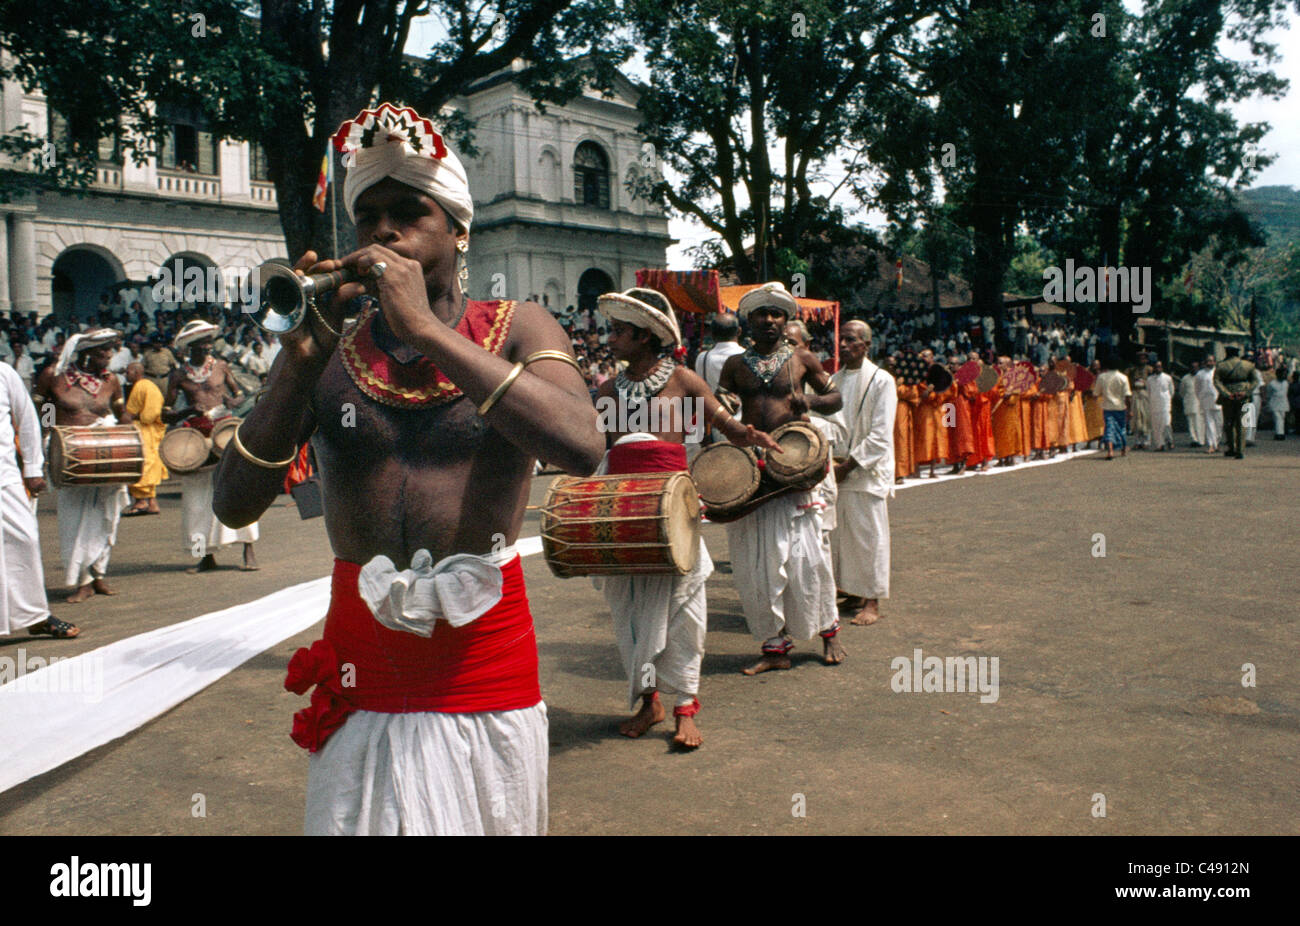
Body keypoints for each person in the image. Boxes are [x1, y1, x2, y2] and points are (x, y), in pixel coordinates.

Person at [213, 102, 603, 836]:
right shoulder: (327, 349)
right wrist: (297, 364)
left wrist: (425, 327)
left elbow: (582, 446)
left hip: (482, 667)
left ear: (458, 229)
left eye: (410, 212)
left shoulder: (521, 326)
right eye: (370, 217)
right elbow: (234, 507)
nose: (383, 231)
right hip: (363, 667)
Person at [595, 288, 775, 748]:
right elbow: (591, 446)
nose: (609, 338)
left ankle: (684, 708)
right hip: (624, 511)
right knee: (631, 610)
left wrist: (746, 434)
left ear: (644, 335)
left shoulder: (684, 381)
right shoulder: (607, 390)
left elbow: (726, 425)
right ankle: (649, 701)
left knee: (684, 609)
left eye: (618, 331)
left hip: (674, 510)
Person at [717, 282, 845, 675]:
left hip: (796, 463)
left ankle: (828, 633)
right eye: (762, 314)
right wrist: (727, 404)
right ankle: (776, 649)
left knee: (808, 558)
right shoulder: (735, 365)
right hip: (753, 467)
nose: (770, 320)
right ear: (749, 321)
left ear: (785, 320)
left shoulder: (803, 358)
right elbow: (720, 402)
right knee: (760, 562)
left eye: (777, 314)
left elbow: (836, 397)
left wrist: (812, 401)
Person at [33, 329, 126, 603]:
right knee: (74, 520)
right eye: (102, 352)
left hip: (105, 458)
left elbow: (123, 416)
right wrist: (49, 438)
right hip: (69, 459)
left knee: (105, 518)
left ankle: (98, 575)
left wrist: (129, 435)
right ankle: (82, 581)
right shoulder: (54, 377)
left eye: (110, 351)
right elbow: (42, 411)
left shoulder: (112, 382)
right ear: (85, 354)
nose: (108, 356)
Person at [166, 320, 257, 571]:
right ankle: (205, 555)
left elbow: (240, 396)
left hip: (224, 432)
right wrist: (186, 409)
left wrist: (233, 400)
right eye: (201, 344)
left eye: (208, 343)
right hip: (195, 436)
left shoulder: (222, 367)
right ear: (189, 348)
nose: (207, 347)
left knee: (237, 487)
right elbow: (165, 415)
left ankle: (248, 550)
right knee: (197, 497)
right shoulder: (179, 375)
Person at [1, 360, 79, 638]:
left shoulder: (4, 373)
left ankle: (35, 616)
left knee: (26, 538)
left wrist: (33, 468)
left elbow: (29, 420)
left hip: (6, 475)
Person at [830, 321, 896, 627]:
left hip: (866, 472)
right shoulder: (833, 380)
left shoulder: (882, 380)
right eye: (841, 339)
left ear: (866, 345)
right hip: (839, 470)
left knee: (870, 536)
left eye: (850, 340)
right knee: (843, 537)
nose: (843, 344)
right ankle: (854, 592)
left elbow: (881, 436)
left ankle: (872, 600)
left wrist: (848, 466)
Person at [119, 362, 168, 516]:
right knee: (150, 464)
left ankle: (140, 502)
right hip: (152, 430)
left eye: (128, 371)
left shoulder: (140, 386)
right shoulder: (151, 386)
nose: (126, 374)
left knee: (140, 464)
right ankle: (152, 503)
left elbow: (131, 413)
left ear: (136, 372)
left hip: (143, 430)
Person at [1213, 345, 1258, 459]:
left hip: (1228, 397)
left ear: (1227, 353)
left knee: (1229, 423)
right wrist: (1246, 392)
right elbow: (1255, 381)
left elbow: (1217, 382)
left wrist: (1227, 394)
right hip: (1243, 396)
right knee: (1242, 424)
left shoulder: (1221, 366)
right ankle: (1240, 450)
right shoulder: (1249, 365)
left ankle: (1231, 448)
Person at [1092, 354, 1131, 460]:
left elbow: (1096, 393)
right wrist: (1129, 409)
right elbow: (1127, 395)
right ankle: (1123, 447)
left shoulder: (1102, 377)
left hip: (1108, 407)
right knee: (1121, 428)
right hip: (1121, 407)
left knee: (1109, 428)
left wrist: (1094, 397)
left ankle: (1110, 450)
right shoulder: (1123, 378)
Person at [1195, 356, 1222, 453]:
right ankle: (1211, 445)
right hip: (1206, 401)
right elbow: (1197, 389)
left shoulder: (1219, 372)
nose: (1209, 363)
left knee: (1219, 424)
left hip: (1218, 401)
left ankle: (1217, 443)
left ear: (1215, 362)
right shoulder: (1200, 374)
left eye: (1211, 361)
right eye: (1207, 361)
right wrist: (1201, 399)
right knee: (1209, 424)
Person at [1147, 360, 1175, 451]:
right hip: (1154, 405)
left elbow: (1171, 391)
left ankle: (1169, 441)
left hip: (1165, 405)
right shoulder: (1149, 379)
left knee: (1166, 424)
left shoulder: (1167, 378)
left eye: (1159, 366)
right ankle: (1160, 444)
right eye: (1156, 367)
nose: (1157, 368)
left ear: (1162, 367)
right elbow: (1148, 392)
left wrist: (1167, 401)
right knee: (1156, 426)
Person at [1179, 362, 1203, 446]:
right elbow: (1182, 391)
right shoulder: (1185, 378)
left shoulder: (1201, 377)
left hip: (1199, 403)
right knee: (1190, 422)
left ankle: (1200, 440)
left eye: (1196, 367)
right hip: (1189, 402)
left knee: (1199, 422)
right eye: (1192, 367)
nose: (1194, 369)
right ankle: (1194, 439)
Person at [1265, 368, 1289, 440]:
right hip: (1274, 403)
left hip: (1283, 403)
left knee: (1282, 418)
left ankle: (1280, 433)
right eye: (1282, 374)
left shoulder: (1286, 383)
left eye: (1285, 374)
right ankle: (1279, 434)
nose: (1284, 375)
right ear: (1278, 374)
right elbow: (1268, 394)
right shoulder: (1272, 383)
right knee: (1277, 418)